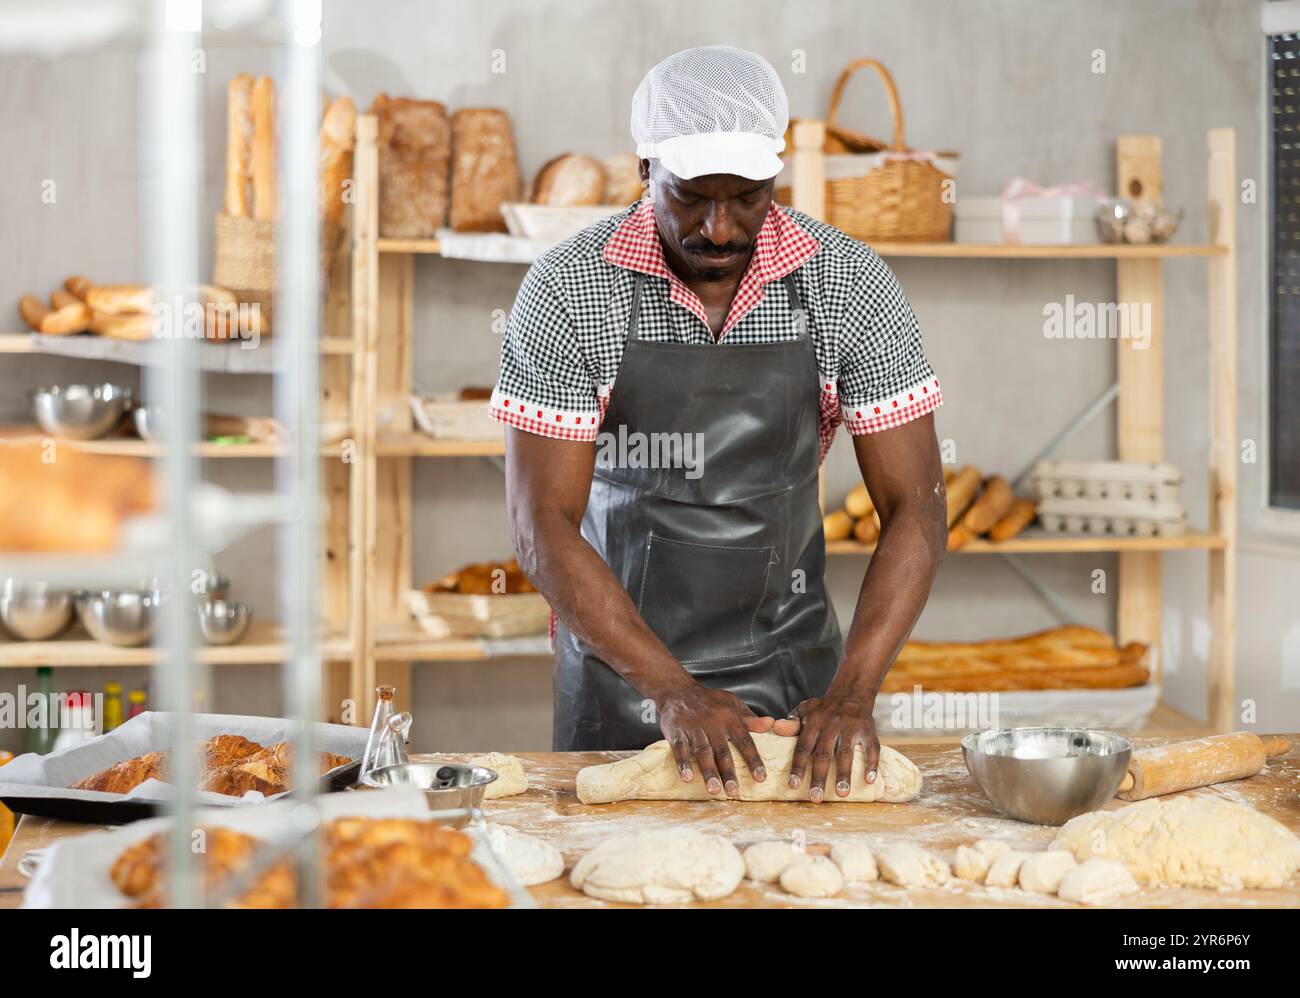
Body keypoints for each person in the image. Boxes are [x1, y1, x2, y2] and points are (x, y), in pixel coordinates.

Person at [491, 46, 946, 802]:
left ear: (777, 173)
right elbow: (541, 521)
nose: (720, 228)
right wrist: (671, 690)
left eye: (747, 197)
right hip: (622, 681)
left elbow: (917, 508)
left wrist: (854, 692)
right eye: (693, 197)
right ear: (645, 169)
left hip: (799, 687)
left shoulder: (848, 281)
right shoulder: (569, 288)